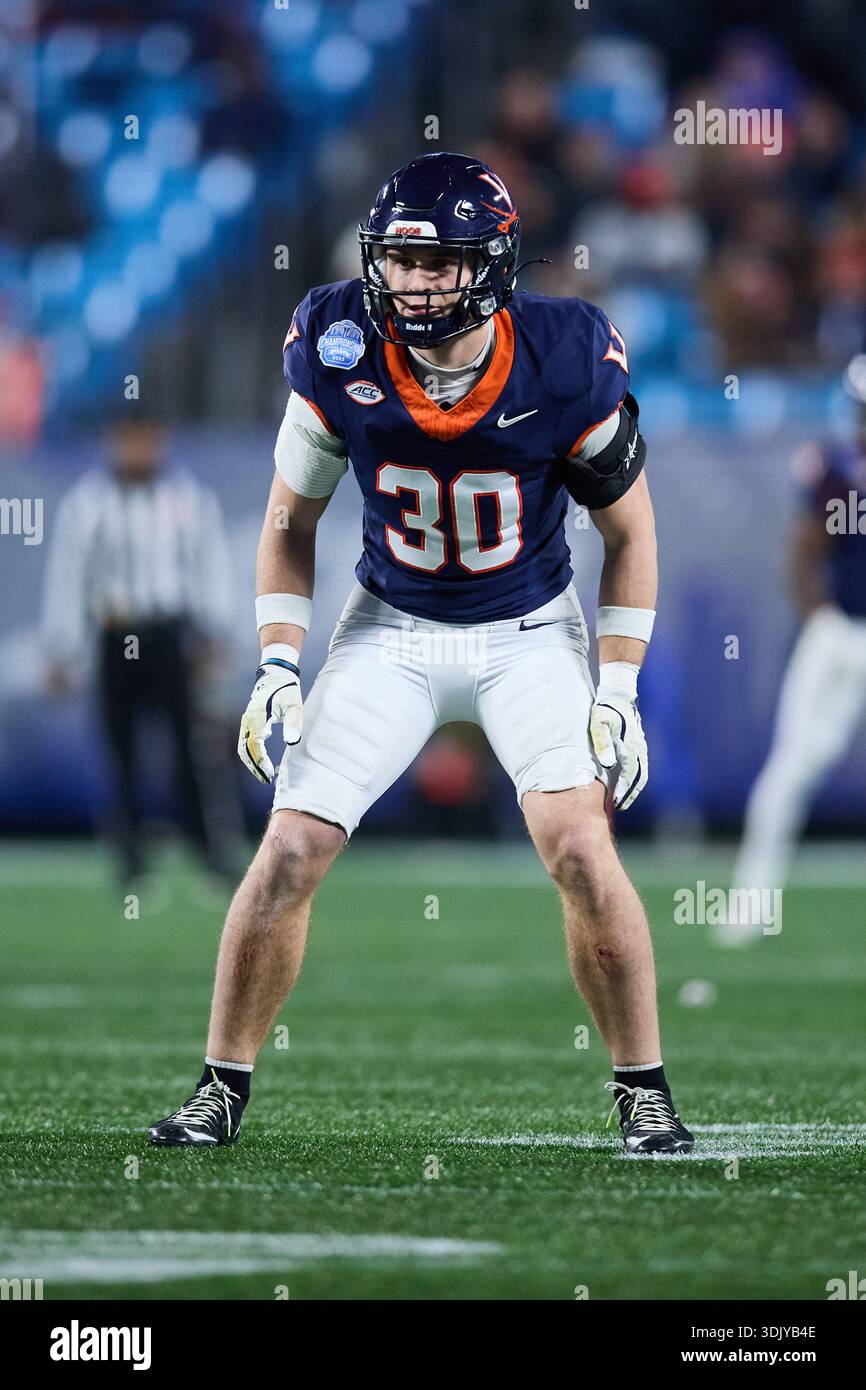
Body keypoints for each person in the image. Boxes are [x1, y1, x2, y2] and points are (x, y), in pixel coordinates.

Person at [148, 152, 694, 1155]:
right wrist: (278, 661)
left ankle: (644, 1091)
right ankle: (220, 1087)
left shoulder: (562, 356)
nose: (411, 281)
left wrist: (616, 683)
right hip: (388, 626)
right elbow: (286, 520)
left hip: (527, 626)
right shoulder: (336, 341)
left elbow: (629, 536)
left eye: (437, 262)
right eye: (398, 260)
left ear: (490, 265)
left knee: (577, 845)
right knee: (288, 849)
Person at [41, 413, 239, 884]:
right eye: (127, 440)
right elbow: (70, 575)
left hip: (169, 636)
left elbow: (209, 565)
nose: (136, 450)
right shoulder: (88, 503)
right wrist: (61, 646)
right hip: (116, 635)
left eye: (144, 439)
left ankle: (206, 846)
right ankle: (129, 855)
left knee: (189, 746)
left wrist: (214, 631)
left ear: (160, 440)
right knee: (120, 747)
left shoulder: (187, 499)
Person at [724, 356, 866, 944]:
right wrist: (824, 621)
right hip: (842, 629)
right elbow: (803, 553)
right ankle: (750, 906)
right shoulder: (833, 468)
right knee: (792, 769)